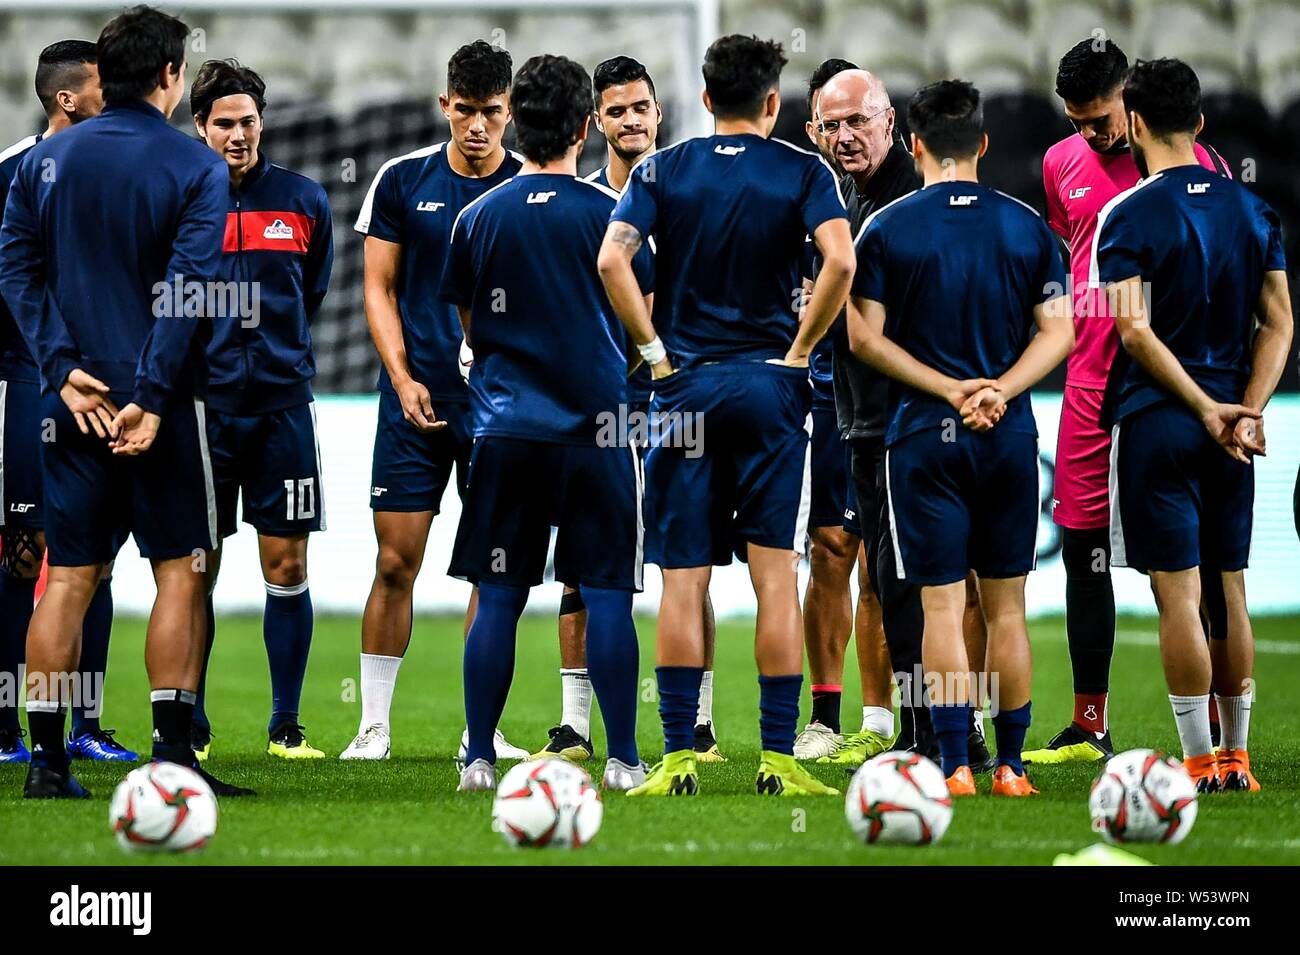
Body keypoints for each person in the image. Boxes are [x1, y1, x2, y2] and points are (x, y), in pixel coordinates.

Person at [0, 4, 250, 798]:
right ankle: (172, 757)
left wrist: (61, 367)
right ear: (173, 75)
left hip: (69, 401)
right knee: (181, 569)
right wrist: (148, 395)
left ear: (103, 76)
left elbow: (17, 273)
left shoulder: (48, 160)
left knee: (68, 574)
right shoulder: (195, 165)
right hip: (164, 404)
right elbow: (189, 287)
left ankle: (45, 763)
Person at [600, 35, 854, 797]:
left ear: (704, 99)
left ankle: (679, 757)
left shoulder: (660, 169)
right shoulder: (806, 170)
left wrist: (653, 353)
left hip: (685, 388)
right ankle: (778, 759)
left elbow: (613, 258)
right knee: (775, 575)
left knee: (684, 579)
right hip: (773, 389)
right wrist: (801, 350)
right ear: (774, 103)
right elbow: (840, 261)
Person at [847, 79, 1074, 797]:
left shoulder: (884, 228)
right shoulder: (1028, 226)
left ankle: (950, 764)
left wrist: (948, 389)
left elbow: (861, 338)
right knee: (1007, 607)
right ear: (981, 142)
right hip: (1007, 435)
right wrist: (999, 390)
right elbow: (1062, 329)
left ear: (913, 145)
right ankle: (1011, 764)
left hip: (920, 437)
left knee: (941, 605)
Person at [443, 53, 653, 792]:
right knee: (606, 594)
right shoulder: (615, 219)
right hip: (598, 433)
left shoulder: (475, 218)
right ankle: (625, 759)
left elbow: (471, 325)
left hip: (506, 431)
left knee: (498, 594)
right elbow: (641, 325)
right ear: (585, 127)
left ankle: (476, 758)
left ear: (517, 122)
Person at [1026, 37, 1233, 765]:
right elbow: (1068, 252)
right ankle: (1089, 725)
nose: (1093, 133)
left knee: (1189, 560)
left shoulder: (1193, 167)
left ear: (1134, 104)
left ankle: (1212, 728)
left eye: (1104, 117)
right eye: (1078, 121)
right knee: (1082, 550)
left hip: (1166, 383)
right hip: (1087, 385)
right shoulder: (1059, 164)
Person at [1098, 58, 1291, 792]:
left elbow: (1135, 333)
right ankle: (1238, 757)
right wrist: (1248, 406)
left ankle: (1199, 759)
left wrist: (1201, 407)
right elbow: (1279, 323)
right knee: (1230, 590)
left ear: (1136, 124)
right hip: (1233, 429)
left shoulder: (1130, 212)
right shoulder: (1254, 211)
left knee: (1177, 596)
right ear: (1201, 123)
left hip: (1159, 422)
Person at [533, 56, 724, 765]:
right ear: (596, 124)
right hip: (594, 407)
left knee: (688, 560)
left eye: (641, 107)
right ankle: (576, 725)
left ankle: (699, 724)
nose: (632, 120)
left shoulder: (685, 196)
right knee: (581, 568)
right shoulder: (580, 206)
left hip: (677, 398)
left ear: (659, 113)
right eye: (616, 111)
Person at [344, 40, 527, 762]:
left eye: (491, 112)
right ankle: (373, 726)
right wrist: (401, 377)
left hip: (502, 410)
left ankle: (480, 732)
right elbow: (376, 286)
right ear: (443, 105)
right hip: (413, 404)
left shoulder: (527, 185)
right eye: (465, 111)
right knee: (395, 562)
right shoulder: (400, 180)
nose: (477, 126)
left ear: (509, 111)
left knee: (493, 569)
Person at [189, 58, 334, 761]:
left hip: (282, 409)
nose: (238, 134)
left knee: (286, 563)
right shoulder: (180, 201)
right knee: (194, 568)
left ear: (262, 122)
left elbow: (311, 294)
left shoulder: (304, 199)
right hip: (201, 412)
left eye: (248, 121)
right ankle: (189, 721)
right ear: (199, 127)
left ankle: (285, 725)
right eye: (224, 124)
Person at [0, 40, 136, 765]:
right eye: (101, 88)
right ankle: (4, 728)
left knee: (94, 554)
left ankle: (83, 722)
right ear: (68, 99)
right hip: (25, 381)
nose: (112, 98)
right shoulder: (14, 170)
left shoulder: (105, 169)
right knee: (23, 555)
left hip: (102, 386)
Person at [792, 57, 895, 766]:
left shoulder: (910, 196)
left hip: (906, 408)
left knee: (898, 564)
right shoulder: (818, 199)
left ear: (890, 121)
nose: (846, 135)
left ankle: (895, 718)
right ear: (812, 131)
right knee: (832, 548)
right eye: (832, 125)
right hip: (835, 399)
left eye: (858, 121)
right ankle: (826, 716)